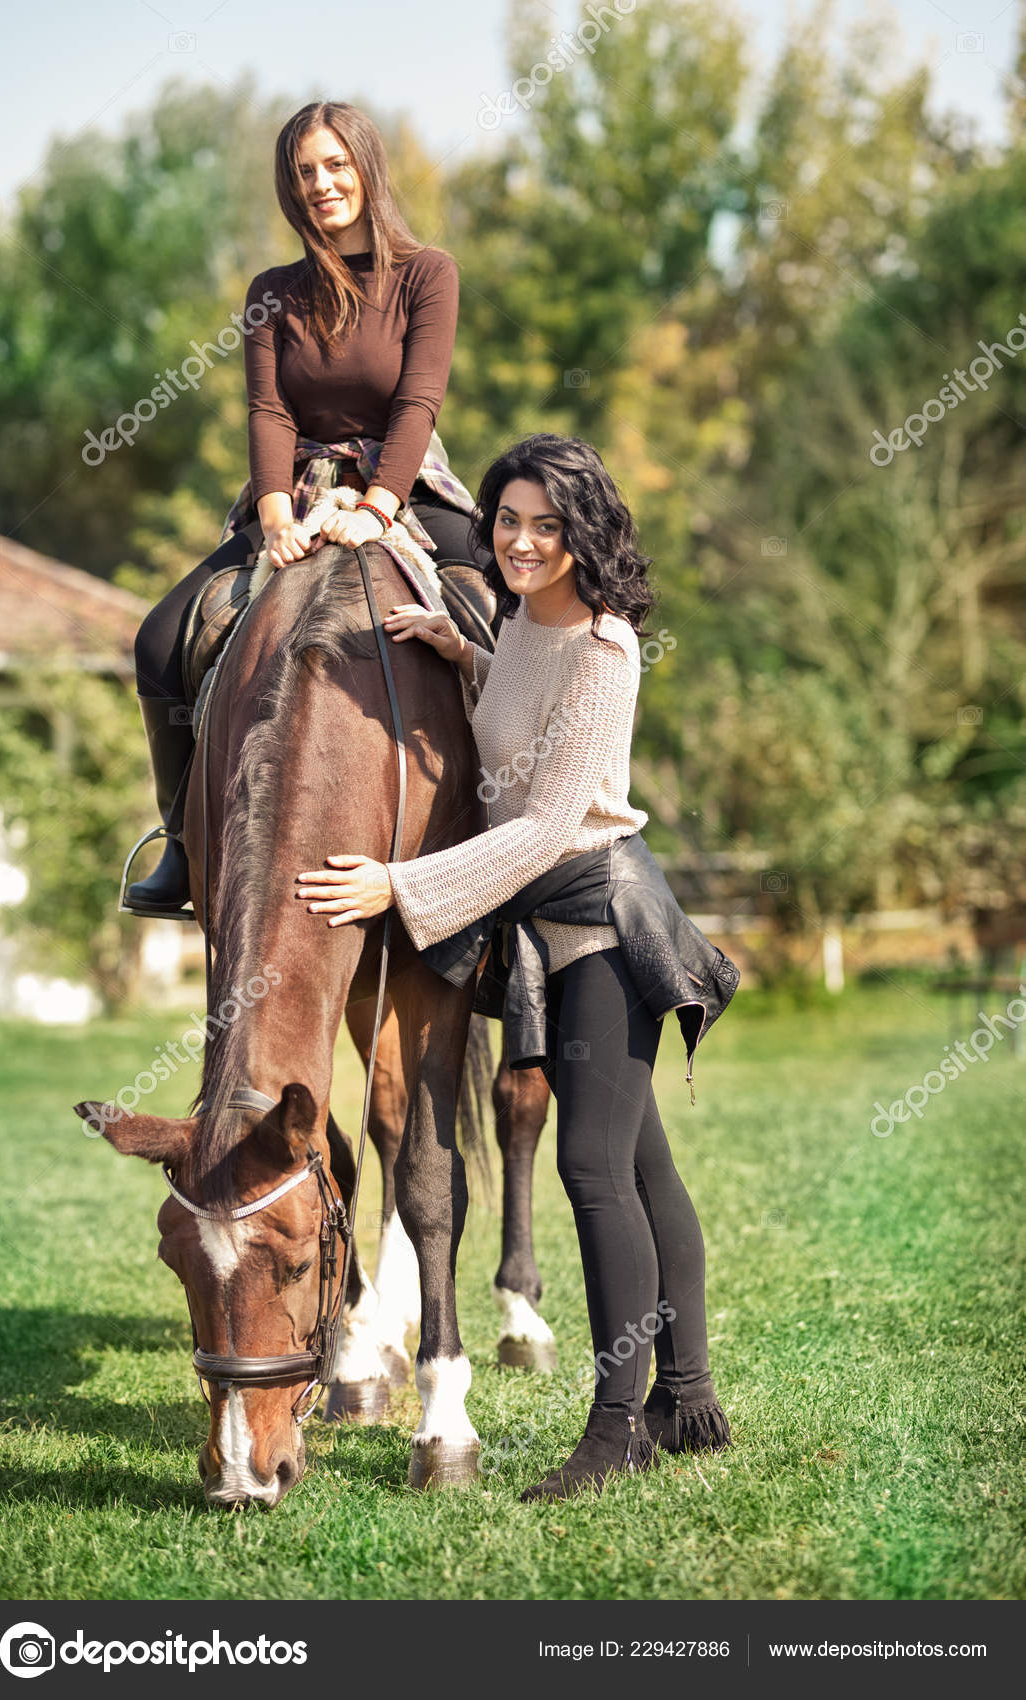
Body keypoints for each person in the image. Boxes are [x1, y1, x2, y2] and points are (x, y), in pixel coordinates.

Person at [295, 433, 733, 1502]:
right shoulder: (517, 624)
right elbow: (518, 726)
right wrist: (463, 650)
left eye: (546, 524)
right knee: (644, 1168)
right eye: (507, 520)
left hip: (596, 921)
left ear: (584, 532)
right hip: (547, 918)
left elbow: (546, 822)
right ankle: (687, 1395)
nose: (523, 540)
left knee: (592, 1168)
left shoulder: (605, 646)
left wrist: (401, 885)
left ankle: (617, 1426)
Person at [127, 99, 483, 915]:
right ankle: (182, 845)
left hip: (406, 482)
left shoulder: (427, 273)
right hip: (293, 491)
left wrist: (381, 504)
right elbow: (269, 414)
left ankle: (521, 842)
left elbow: (418, 399)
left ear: (365, 166)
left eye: (335, 164)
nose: (322, 184)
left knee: (491, 608)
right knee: (157, 641)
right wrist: (278, 516)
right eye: (303, 172)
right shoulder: (271, 292)